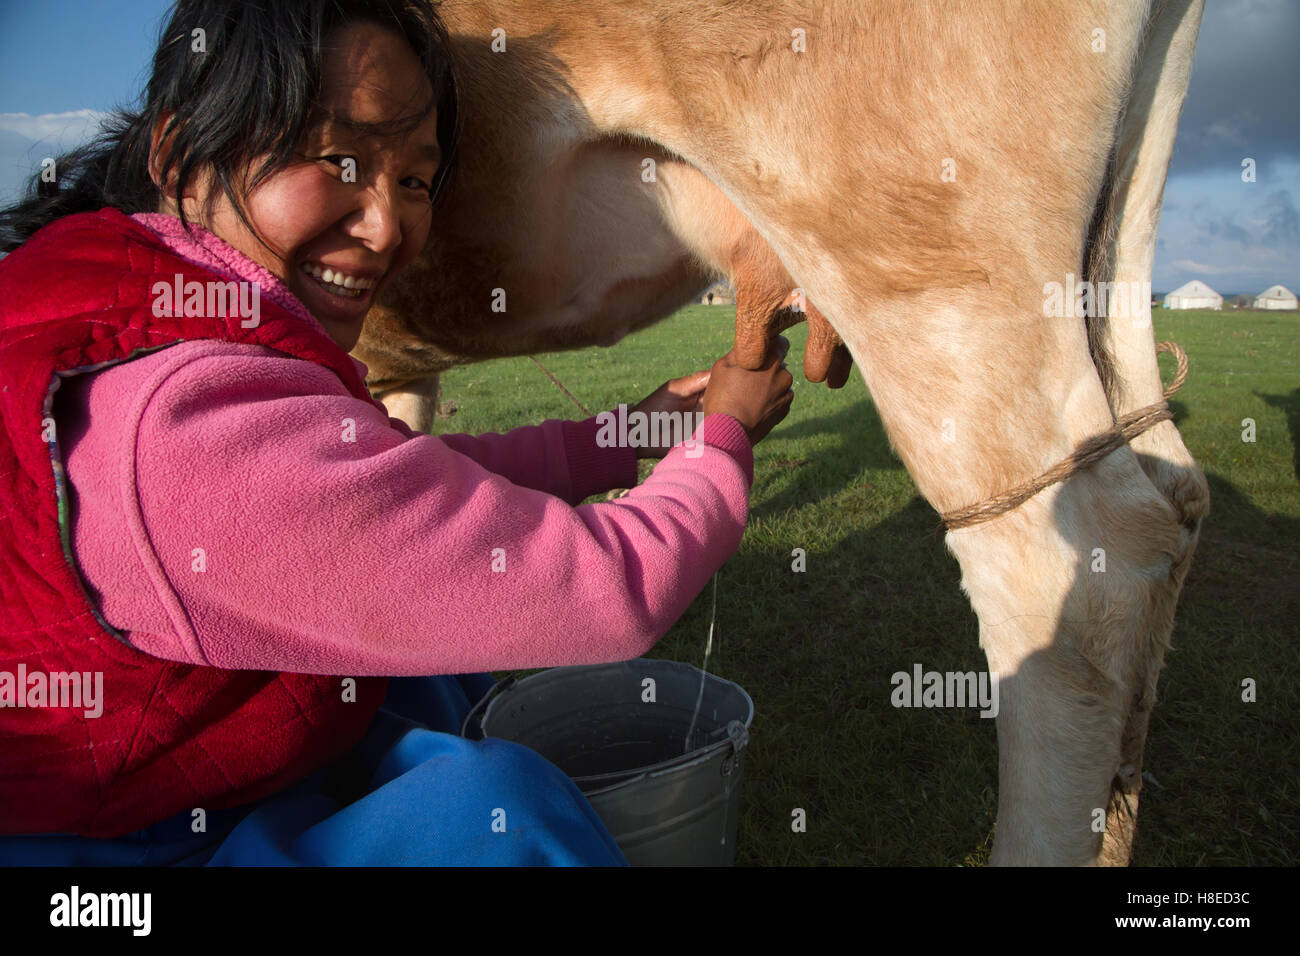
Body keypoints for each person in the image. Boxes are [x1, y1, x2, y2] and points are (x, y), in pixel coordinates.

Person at [0, 0, 793, 866]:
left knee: (424, 663)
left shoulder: (135, 311)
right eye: (339, 158)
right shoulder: (176, 430)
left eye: (413, 180)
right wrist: (725, 435)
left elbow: (393, 499)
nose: (385, 228)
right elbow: (605, 588)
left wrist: (626, 432)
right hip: (117, 849)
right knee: (487, 810)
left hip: (179, 763)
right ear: (179, 150)